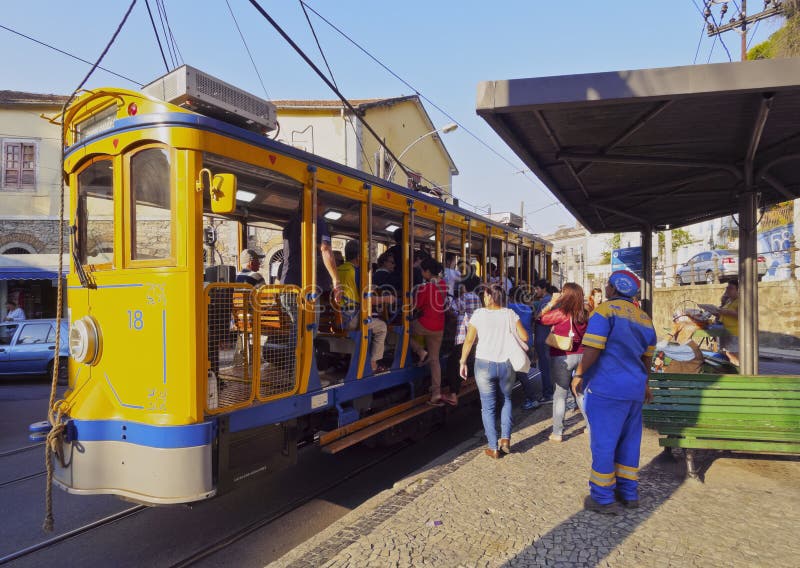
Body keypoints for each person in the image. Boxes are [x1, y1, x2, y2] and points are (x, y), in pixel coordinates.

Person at [573, 270, 657, 514]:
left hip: (607, 388)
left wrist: (579, 374)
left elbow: (593, 348)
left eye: (607, 285)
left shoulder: (604, 312)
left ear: (612, 288)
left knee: (604, 443)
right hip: (634, 390)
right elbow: (647, 359)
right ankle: (629, 493)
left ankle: (602, 497)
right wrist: (645, 384)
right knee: (630, 442)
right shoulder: (644, 318)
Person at [459, 283, 529, 458]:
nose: (484, 298)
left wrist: (463, 361)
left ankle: (493, 447)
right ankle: (505, 439)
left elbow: (469, 340)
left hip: (484, 364)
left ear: (490, 296)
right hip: (506, 364)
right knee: (506, 399)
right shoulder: (510, 314)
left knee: (488, 407)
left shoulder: (479, 314)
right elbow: (525, 337)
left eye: (485, 295)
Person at [539, 282, 589, 442]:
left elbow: (541, 318)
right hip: (582, 355)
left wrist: (552, 302)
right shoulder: (585, 313)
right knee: (580, 392)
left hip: (562, 356)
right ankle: (591, 427)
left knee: (560, 395)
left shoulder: (561, 313)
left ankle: (557, 432)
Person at [337, 240, 389, 373]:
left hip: (337, 319)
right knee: (382, 327)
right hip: (352, 319)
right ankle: (373, 363)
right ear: (358, 256)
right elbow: (368, 300)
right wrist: (387, 299)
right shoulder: (358, 272)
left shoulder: (338, 269)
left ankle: (344, 359)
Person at [409, 258, 448, 405]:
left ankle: (420, 352)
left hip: (425, 324)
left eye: (422, 271)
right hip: (439, 326)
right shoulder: (443, 285)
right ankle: (436, 393)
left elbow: (416, 306)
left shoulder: (425, 288)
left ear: (427, 272)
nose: (421, 273)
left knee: (404, 332)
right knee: (435, 360)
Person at [443, 275, 482, 406]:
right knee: (463, 361)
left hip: (463, 334)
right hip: (474, 334)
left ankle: (453, 394)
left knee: (453, 363)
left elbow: (450, 308)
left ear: (464, 286)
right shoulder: (477, 298)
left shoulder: (465, 297)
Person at [508, 286, 541, 410]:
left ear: (511, 297)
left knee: (521, 374)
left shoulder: (511, 307)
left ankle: (532, 398)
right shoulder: (527, 308)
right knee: (522, 372)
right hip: (528, 342)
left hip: (517, 344)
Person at [532, 279, 554, 402]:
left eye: (537, 289)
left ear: (544, 289)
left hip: (544, 338)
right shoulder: (549, 300)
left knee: (545, 368)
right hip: (548, 337)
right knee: (548, 367)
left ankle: (548, 394)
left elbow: (539, 318)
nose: (536, 291)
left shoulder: (546, 302)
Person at [718, 279, 740, 367]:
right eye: (727, 288)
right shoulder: (729, 301)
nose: (728, 290)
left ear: (738, 290)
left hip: (735, 333)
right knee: (726, 354)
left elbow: (742, 315)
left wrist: (727, 312)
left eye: (731, 288)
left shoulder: (740, 301)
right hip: (725, 333)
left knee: (734, 357)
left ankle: (738, 372)